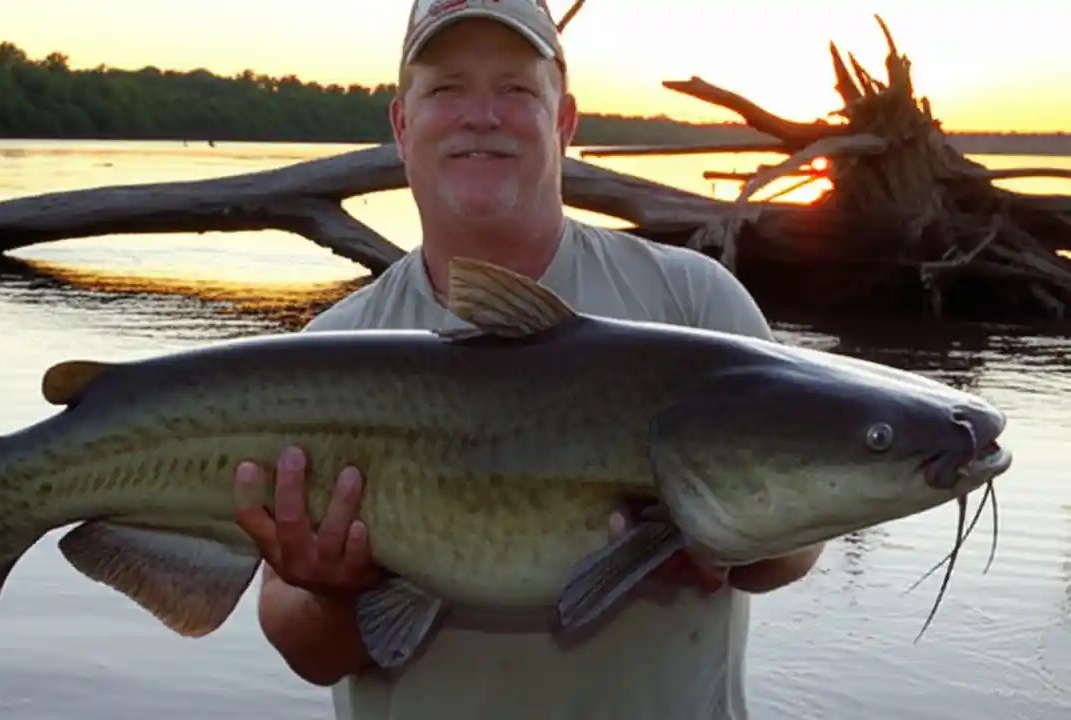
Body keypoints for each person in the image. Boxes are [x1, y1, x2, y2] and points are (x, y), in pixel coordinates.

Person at [231, 1, 825, 717]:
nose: (481, 115)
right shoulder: (327, 355)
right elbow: (305, 646)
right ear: (401, 125)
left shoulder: (694, 304)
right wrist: (334, 590)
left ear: (565, 122)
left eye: (516, 89)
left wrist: (731, 536)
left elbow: (796, 548)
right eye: (447, 88)